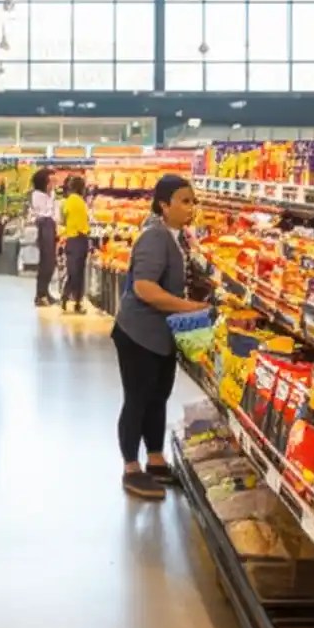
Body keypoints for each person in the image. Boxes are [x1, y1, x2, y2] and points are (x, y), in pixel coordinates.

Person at [112, 175, 208, 500]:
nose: (190, 207)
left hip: (161, 334)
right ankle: (131, 468)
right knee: (138, 399)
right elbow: (144, 288)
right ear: (164, 205)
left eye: (193, 201)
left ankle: (155, 458)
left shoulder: (177, 237)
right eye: (183, 201)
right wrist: (192, 308)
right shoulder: (155, 237)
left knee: (158, 396)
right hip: (138, 333)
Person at [59, 175, 90, 314]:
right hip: (80, 238)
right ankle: (76, 301)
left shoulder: (67, 202)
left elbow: (64, 218)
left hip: (71, 239)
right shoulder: (80, 202)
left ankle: (66, 296)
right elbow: (83, 222)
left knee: (72, 271)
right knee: (79, 272)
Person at [29, 168, 57, 307]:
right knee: (46, 261)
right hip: (44, 225)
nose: (54, 183)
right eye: (51, 181)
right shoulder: (37, 195)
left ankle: (45, 292)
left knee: (51, 261)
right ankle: (40, 294)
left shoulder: (51, 194)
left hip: (50, 224)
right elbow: (44, 213)